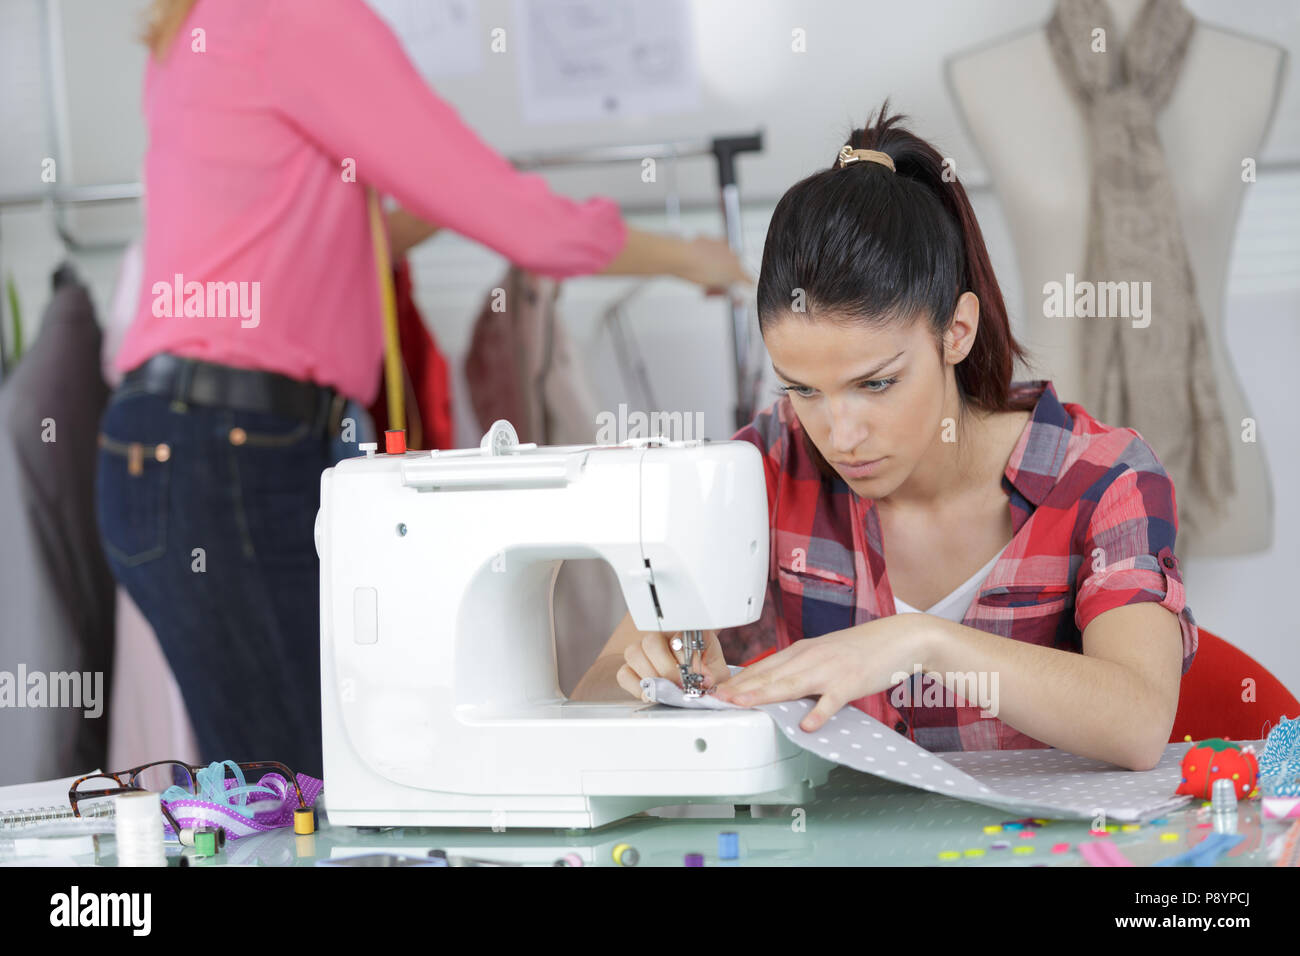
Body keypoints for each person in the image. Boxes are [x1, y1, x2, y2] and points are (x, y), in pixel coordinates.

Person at [96, 0, 752, 780]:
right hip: (233, 457)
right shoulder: (303, 21)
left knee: (281, 789)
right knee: (310, 790)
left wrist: (443, 202)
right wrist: (688, 258)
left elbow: (301, 229)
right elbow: (528, 228)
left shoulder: (197, 28)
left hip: (168, 449)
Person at [572, 102, 1199, 772]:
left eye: (876, 384)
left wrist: (920, 641)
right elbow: (605, 681)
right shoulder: (762, 467)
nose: (839, 436)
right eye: (803, 390)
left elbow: (1138, 720)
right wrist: (672, 679)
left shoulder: (1105, 478)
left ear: (956, 332)